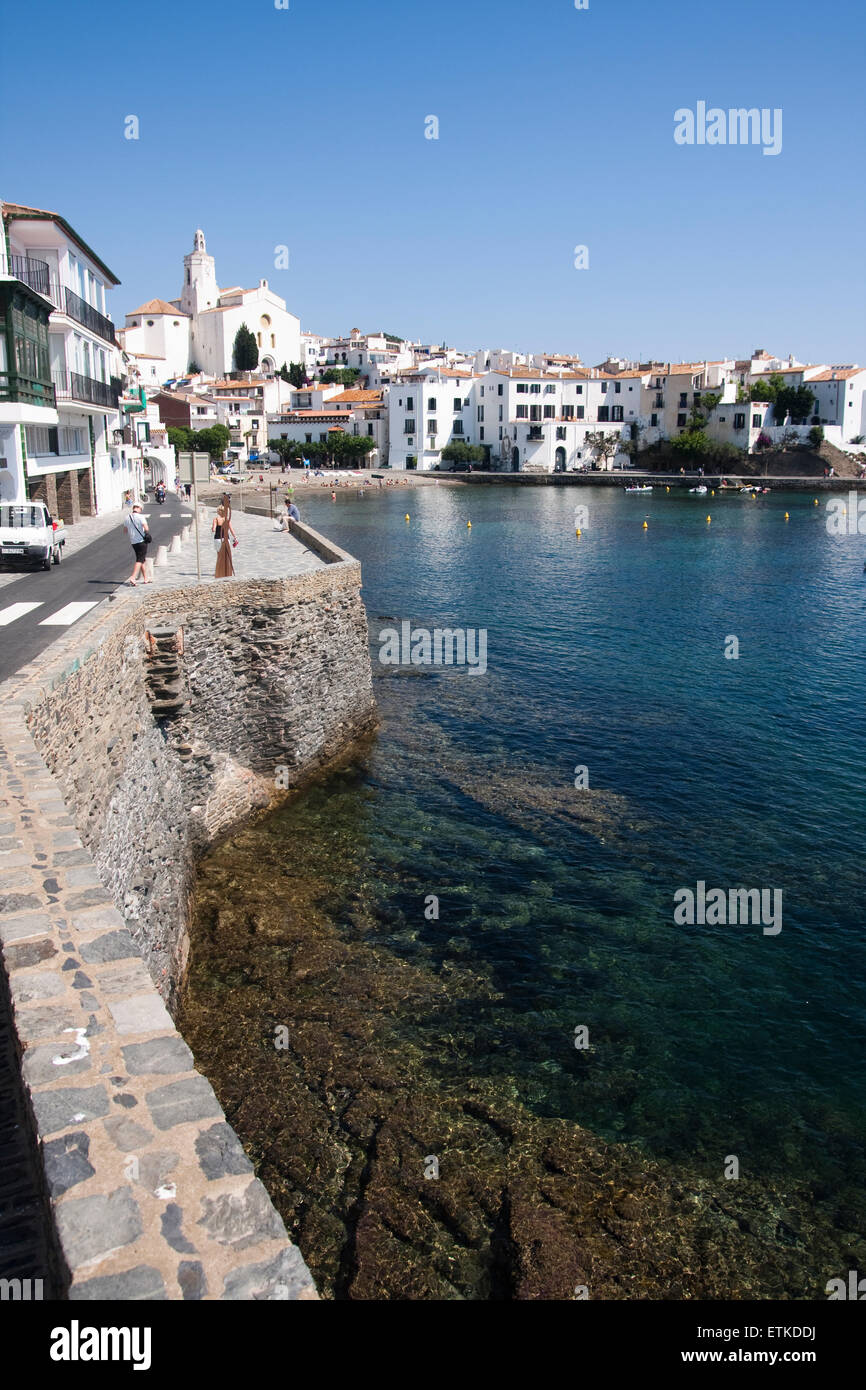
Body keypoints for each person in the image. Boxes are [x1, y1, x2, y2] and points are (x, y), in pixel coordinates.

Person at [124, 504, 151, 586]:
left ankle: (146, 578)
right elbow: (146, 528)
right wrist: (146, 533)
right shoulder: (140, 517)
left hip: (133, 541)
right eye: (141, 509)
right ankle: (133, 577)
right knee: (139, 559)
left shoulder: (127, 517)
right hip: (141, 540)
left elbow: (125, 530)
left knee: (141, 559)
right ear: (139, 509)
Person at [212, 496, 237, 577]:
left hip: (217, 539)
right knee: (227, 555)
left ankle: (219, 571)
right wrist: (235, 537)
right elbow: (231, 529)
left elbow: (213, 529)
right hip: (226, 539)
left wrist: (212, 528)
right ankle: (226, 571)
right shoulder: (226, 519)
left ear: (218, 512)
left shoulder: (216, 519)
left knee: (219, 555)